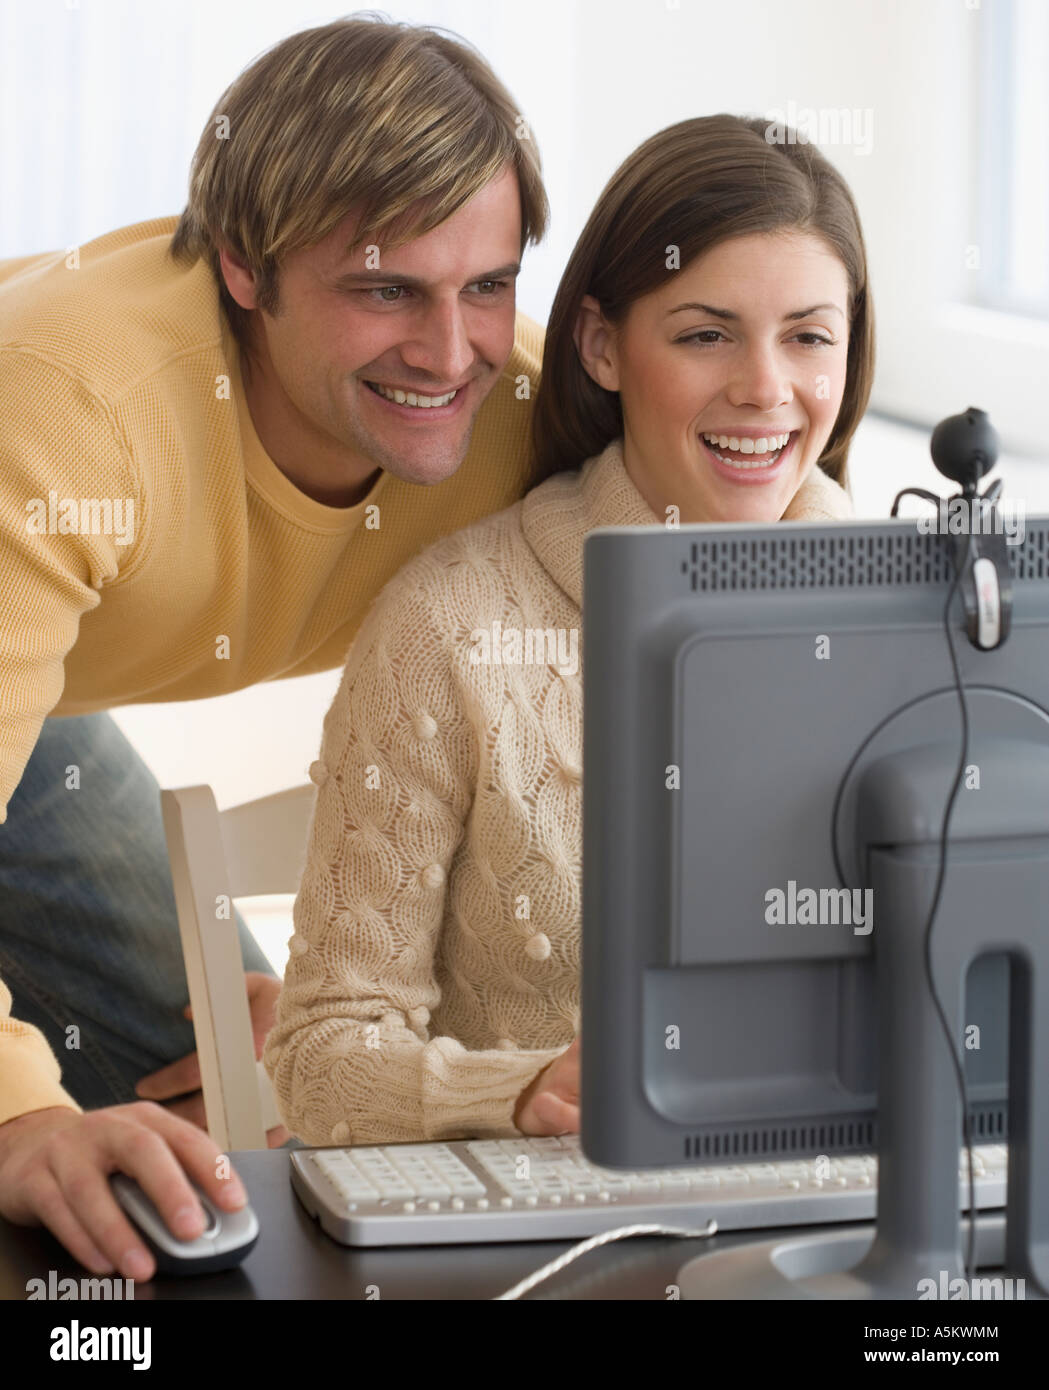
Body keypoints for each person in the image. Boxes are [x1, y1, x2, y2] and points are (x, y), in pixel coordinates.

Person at [263, 112, 874, 1146]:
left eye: (807, 335)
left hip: (845, 1213)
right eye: (704, 333)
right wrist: (511, 1091)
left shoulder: (919, 617)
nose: (764, 388)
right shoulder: (448, 627)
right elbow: (321, 1058)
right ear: (599, 344)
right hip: (553, 1238)